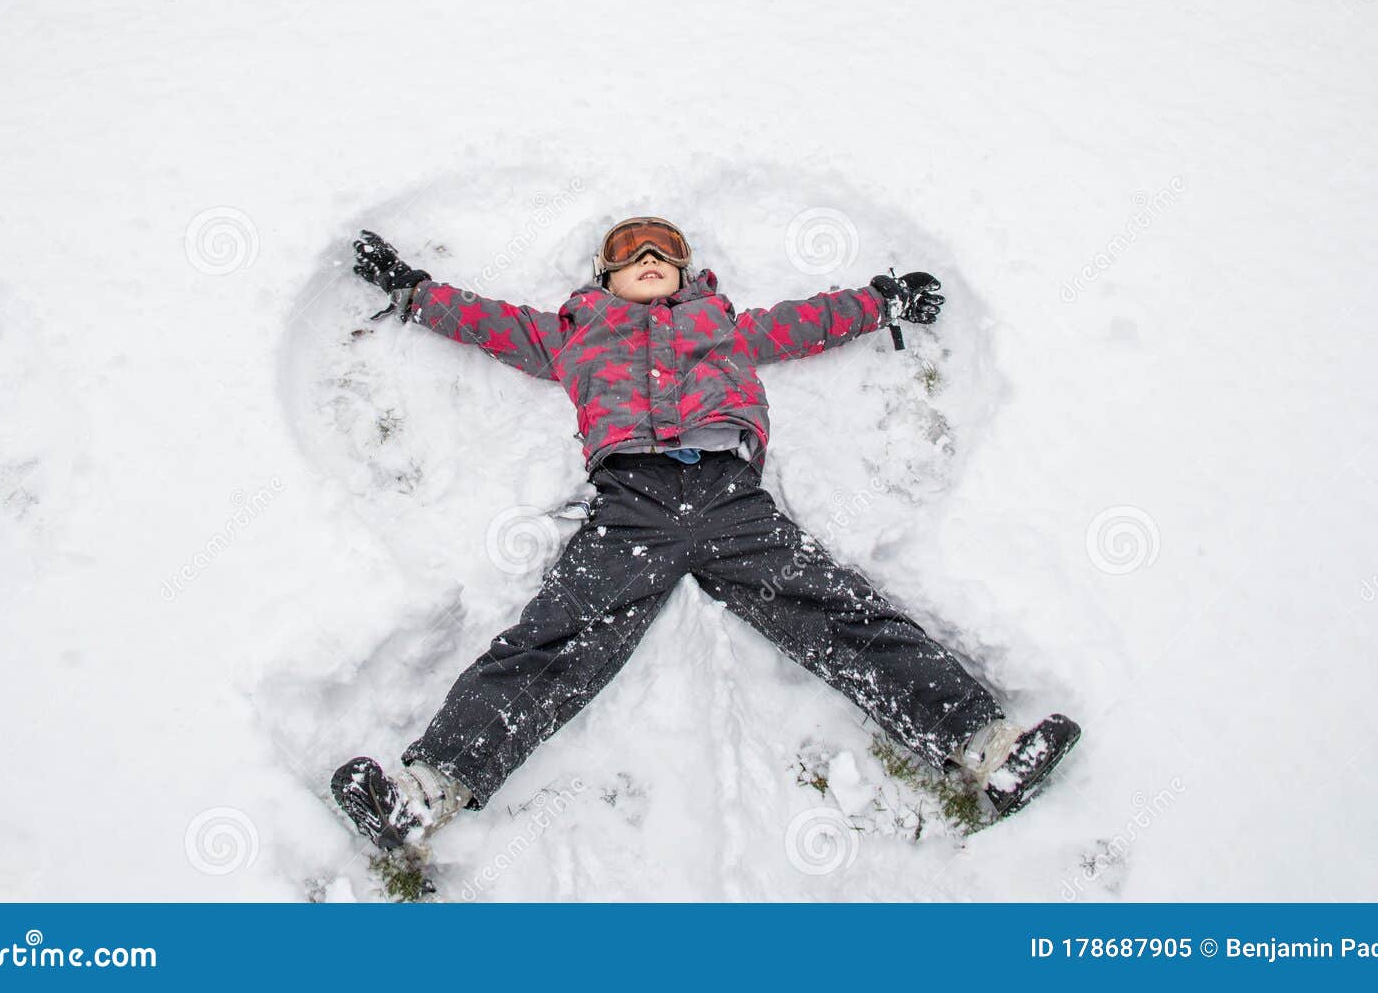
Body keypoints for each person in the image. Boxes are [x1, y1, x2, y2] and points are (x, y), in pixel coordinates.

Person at [332, 217, 1080, 851]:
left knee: (840, 611)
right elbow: (485, 320)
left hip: (732, 501)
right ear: (605, 277)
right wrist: (412, 288)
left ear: (687, 272)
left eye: (664, 250)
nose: (649, 258)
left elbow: (806, 321)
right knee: (554, 638)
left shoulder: (722, 324)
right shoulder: (571, 333)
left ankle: (988, 748)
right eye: (631, 252)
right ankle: (427, 789)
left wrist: (882, 301)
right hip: (633, 507)